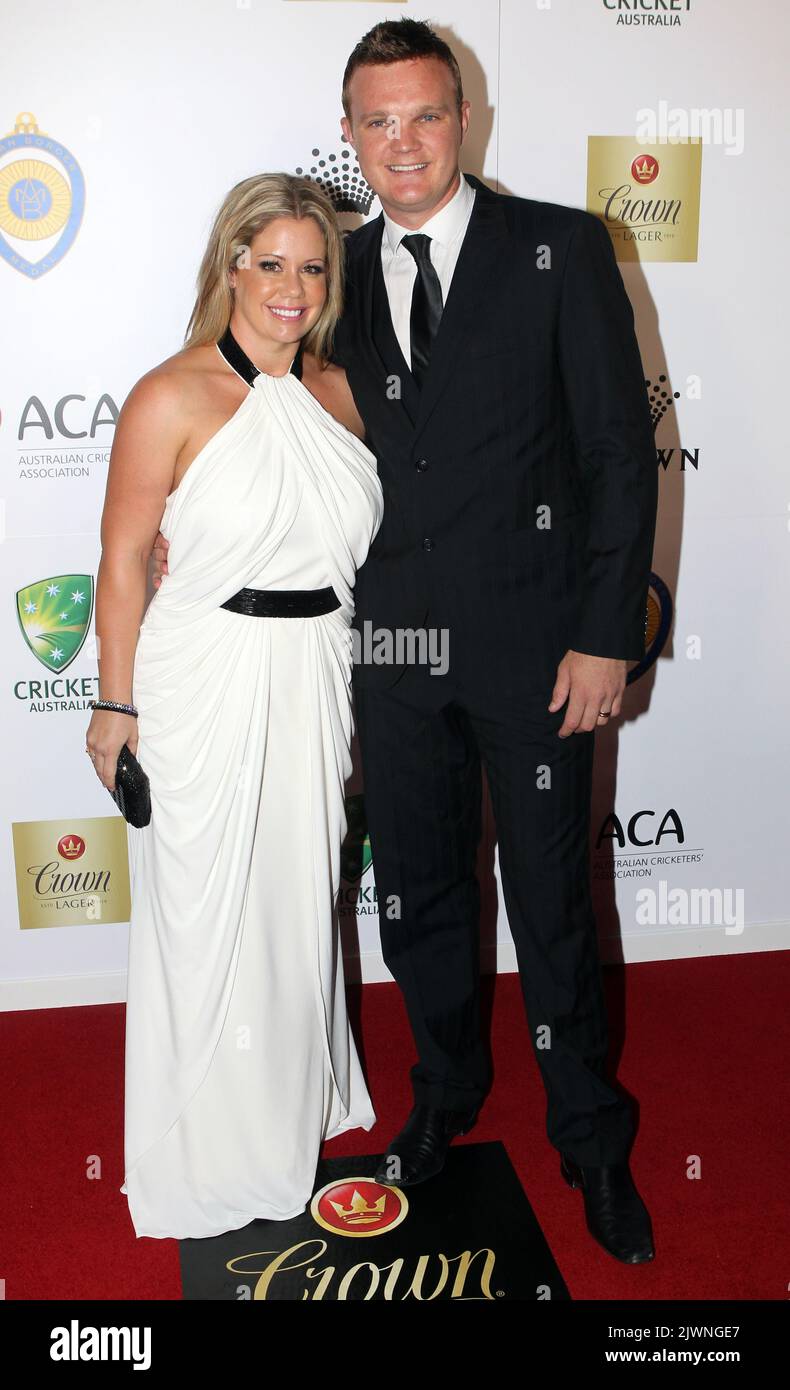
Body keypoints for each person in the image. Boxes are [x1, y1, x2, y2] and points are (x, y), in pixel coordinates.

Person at [154, 18, 658, 1264]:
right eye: (377, 122)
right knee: (420, 896)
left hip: (539, 648)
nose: (404, 142)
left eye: (425, 114)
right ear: (349, 136)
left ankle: (590, 1142)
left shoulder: (559, 246)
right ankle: (441, 1099)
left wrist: (607, 636)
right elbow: (267, 436)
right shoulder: (321, 274)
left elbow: (614, 453)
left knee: (551, 905)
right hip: (387, 657)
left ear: (465, 117)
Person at [86, 172, 384, 1240]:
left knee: (297, 905)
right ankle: (206, 1143)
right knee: (205, 915)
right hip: (201, 670)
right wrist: (113, 706)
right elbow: (123, 562)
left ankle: (288, 1104)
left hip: (314, 670)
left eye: (314, 267)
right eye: (272, 264)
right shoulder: (168, 395)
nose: (293, 288)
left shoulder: (343, 392)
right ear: (231, 267)